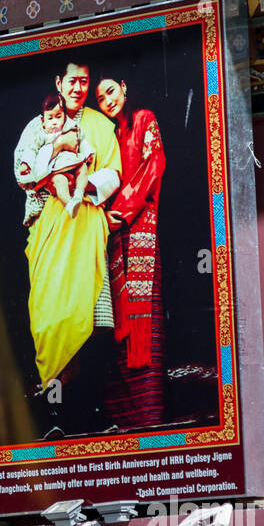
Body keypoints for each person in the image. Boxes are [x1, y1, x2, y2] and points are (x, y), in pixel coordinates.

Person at [12, 62, 121, 398]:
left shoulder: (101, 125)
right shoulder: (38, 125)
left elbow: (114, 173)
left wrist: (82, 189)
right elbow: (23, 170)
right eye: (72, 81)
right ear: (59, 82)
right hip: (50, 233)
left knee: (92, 323)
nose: (78, 88)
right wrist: (57, 158)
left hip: (86, 228)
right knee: (51, 318)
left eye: (84, 82)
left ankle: (91, 410)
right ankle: (57, 413)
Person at [95, 77, 166, 428]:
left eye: (110, 90)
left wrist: (121, 211)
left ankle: (149, 419)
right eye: (100, 97)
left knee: (145, 321)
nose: (107, 99)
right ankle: (125, 422)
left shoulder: (143, 120)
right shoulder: (105, 139)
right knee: (116, 320)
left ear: (125, 87)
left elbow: (154, 166)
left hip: (140, 229)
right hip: (113, 237)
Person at [15, 94, 96, 222]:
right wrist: (26, 164)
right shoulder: (42, 135)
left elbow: (82, 141)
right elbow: (31, 149)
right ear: (43, 121)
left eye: (58, 117)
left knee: (83, 169)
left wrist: (88, 153)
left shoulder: (72, 128)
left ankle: (79, 195)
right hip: (56, 169)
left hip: (73, 162)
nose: (54, 122)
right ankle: (69, 204)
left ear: (64, 116)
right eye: (50, 118)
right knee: (60, 182)